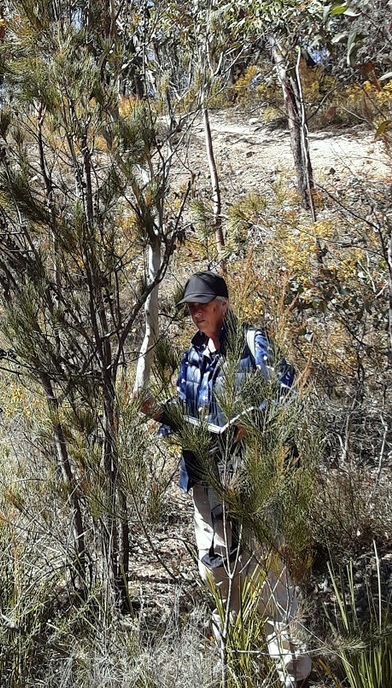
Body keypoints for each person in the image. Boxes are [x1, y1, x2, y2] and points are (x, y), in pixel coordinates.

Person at [139, 271, 312, 688]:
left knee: (270, 580)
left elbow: (285, 394)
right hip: (206, 483)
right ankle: (232, 665)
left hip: (253, 480)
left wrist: (251, 424)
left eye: (203, 304)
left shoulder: (254, 344)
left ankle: (294, 673)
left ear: (223, 304)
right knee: (217, 577)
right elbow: (184, 410)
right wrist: (161, 414)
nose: (196, 313)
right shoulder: (192, 356)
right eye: (191, 307)